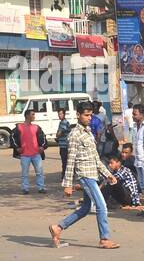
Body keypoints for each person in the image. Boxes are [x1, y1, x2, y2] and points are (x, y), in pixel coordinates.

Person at [49, 101, 119, 249]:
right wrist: (67, 184)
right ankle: (105, 239)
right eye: (86, 115)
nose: (89, 118)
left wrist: (108, 174)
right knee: (102, 206)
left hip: (93, 174)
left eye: (90, 115)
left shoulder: (88, 132)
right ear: (78, 115)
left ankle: (59, 227)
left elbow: (95, 158)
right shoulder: (74, 135)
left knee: (86, 208)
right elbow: (71, 160)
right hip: (84, 175)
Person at [14, 108, 47, 194]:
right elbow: (12, 137)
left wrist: (42, 147)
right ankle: (25, 188)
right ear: (27, 116)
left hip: (36, 154)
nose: (34, 116)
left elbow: (43, 137)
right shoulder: (19, 127)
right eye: (32, 114)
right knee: (25, 173)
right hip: (25, 155)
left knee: (39, 172)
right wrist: (17, 148)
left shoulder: (36, 127)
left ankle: (41, 187)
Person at [55, 107, 72, 175]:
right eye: (58, 114)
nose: (59, 115)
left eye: (61, 114)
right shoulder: (62, 122)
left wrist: (57, 135)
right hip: (63, 144)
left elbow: (59, 133)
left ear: (64, 114)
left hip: (65, 145)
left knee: (65, 161)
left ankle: (65, 175)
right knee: (65, 161)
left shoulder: (64, 123)